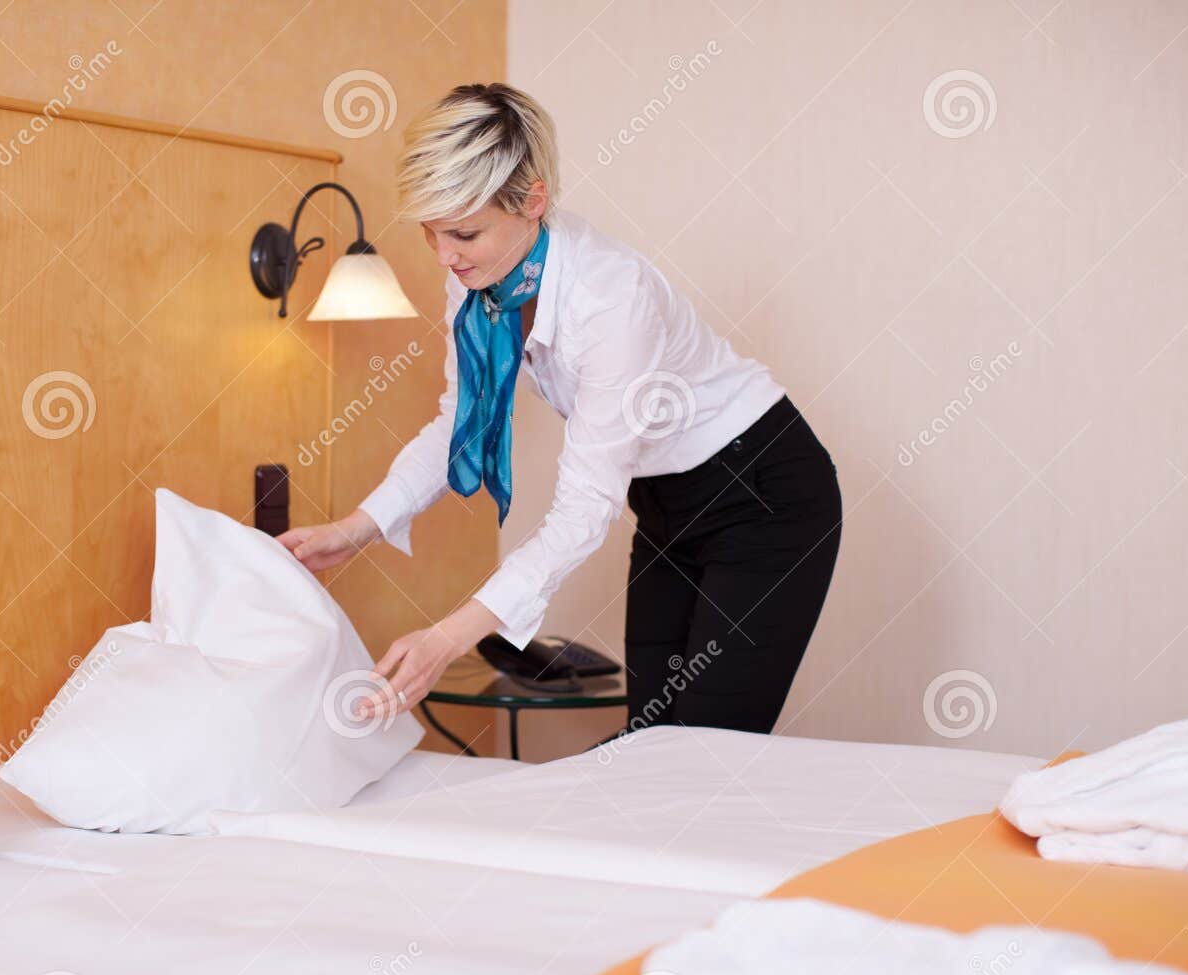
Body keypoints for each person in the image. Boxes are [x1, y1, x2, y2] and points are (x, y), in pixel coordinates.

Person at [277, 82, 841, 735]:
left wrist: (447, 638)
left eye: (462, 233)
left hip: (764, 491)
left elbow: (582, 509)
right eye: (431, 233)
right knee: (654, 737)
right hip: (665, 503)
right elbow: (457, 424)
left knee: (708, 749)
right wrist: (355, 528)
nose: (444, 256)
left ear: (534, 200)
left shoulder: (610, 298)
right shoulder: (477, 283)